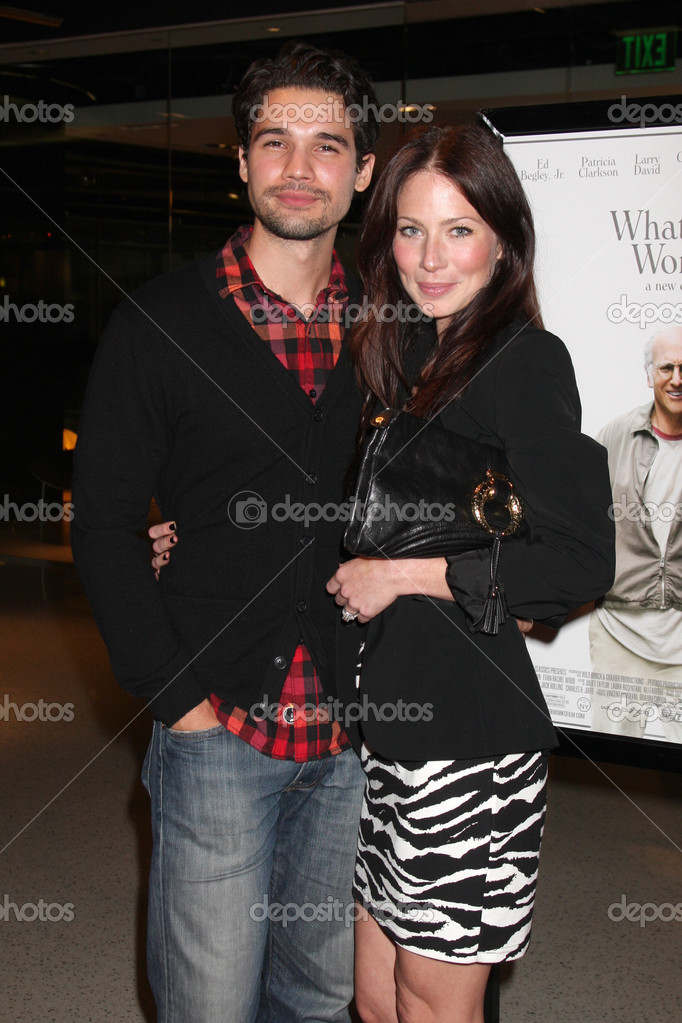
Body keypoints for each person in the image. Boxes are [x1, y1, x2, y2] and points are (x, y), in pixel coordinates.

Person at [71, 41, 377, 1023]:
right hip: (215, 725)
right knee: (206, 1001)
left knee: (321, 998)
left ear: (362, 172)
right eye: (273, 141)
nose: (299, 167)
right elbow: (106, 524)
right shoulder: (158, 322)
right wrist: (177, 701)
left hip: (355, 731)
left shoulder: (394, 326)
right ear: (239, 161)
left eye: (327, 145)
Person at [323, 124, 615, 1023]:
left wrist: (407, 576)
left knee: (434, 1004)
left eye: (458, 229)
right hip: (393, 735)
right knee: (376, 997)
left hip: (472, 746)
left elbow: (578, 558)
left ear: (502, 237)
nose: (430, 257)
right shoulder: (402, 354)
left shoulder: (527, 361)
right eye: (410, 229)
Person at [589, 326, 682, 743]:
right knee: (611, 762)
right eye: (666, 367)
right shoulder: (614, 437)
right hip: (620, 637)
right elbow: (580, 519)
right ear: (650, 375)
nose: (676, 379)